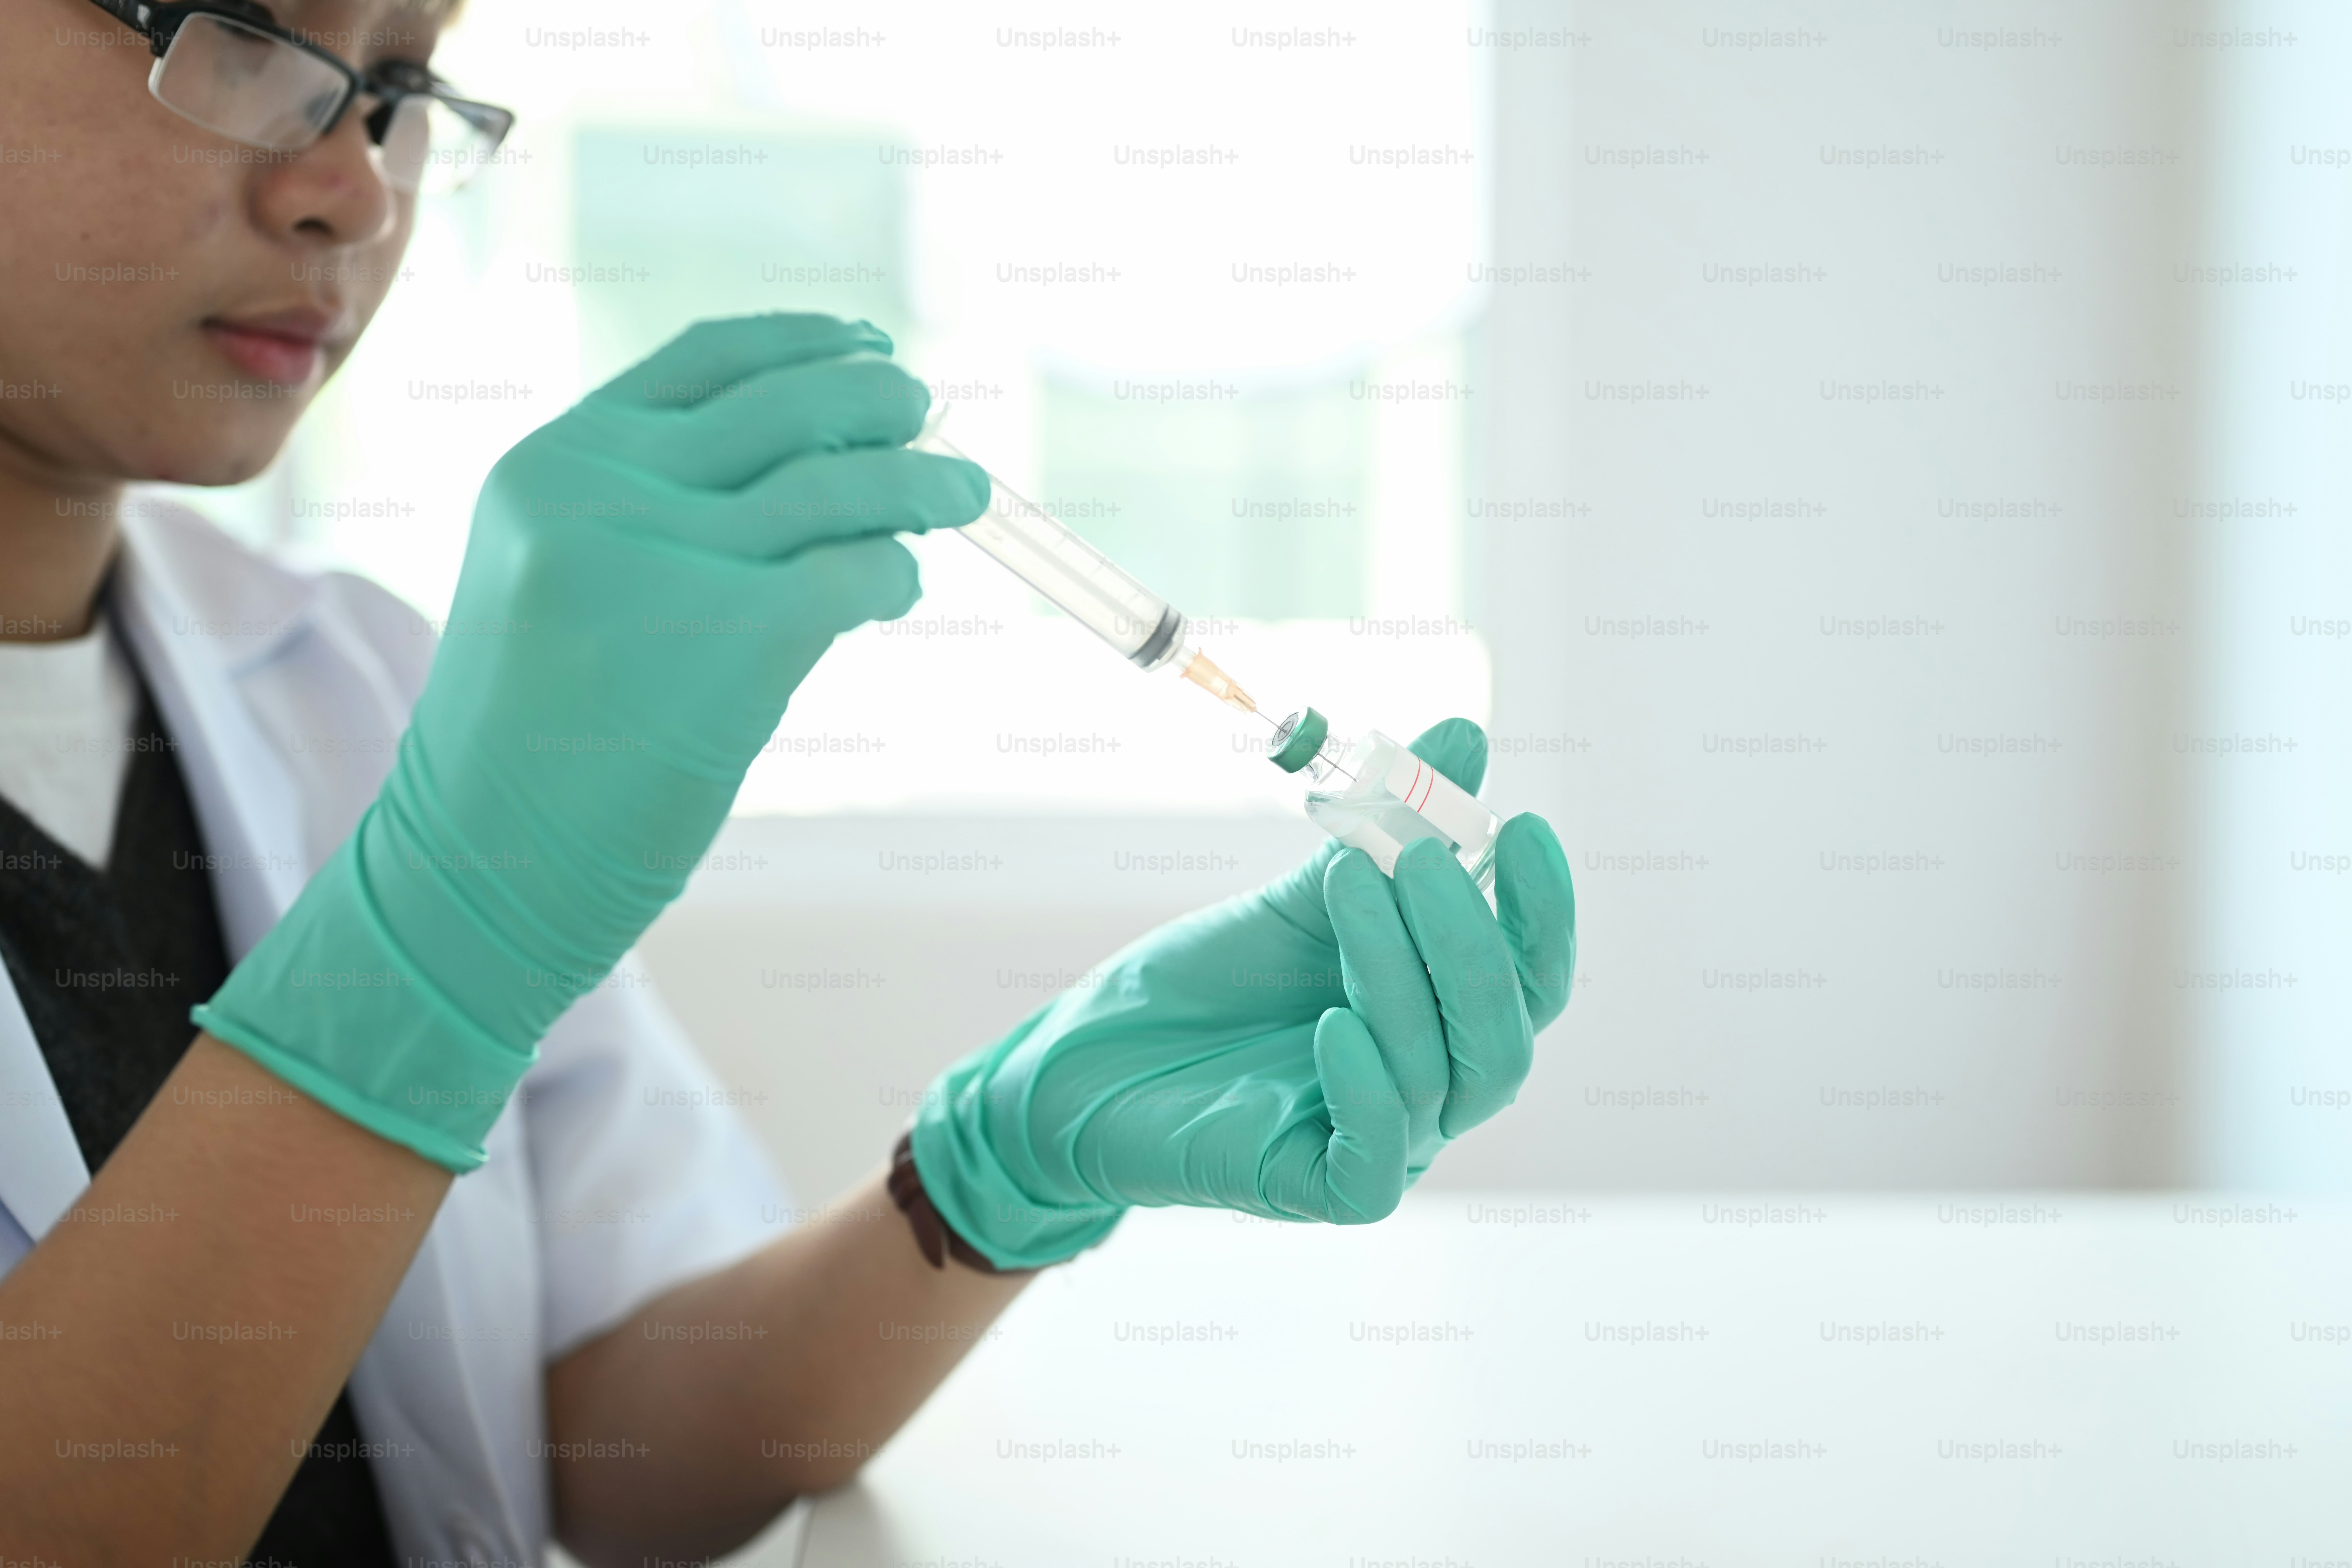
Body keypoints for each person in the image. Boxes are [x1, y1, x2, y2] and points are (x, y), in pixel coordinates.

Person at [0, 0, 1578, 1561]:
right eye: (245, 38)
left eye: (401, 84)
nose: (356, 184)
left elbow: (603, 1448)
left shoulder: (361, 689)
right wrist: (424, 967)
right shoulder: (449, 794)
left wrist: (994, 1171)